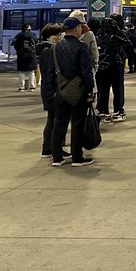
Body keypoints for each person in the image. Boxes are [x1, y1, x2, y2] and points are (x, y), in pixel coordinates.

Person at [51, 17, 96, 166]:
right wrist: (90, 90)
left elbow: (52, 72)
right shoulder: (81, 47)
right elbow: (86, 72)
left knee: (59, 124)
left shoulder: (56, 47)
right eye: (80, 27)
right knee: (77, 123)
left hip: (61, 90)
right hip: (78, 91)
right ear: (76, 29)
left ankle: (57, 157)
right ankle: (77, 157)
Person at [36, 22, 68, 160]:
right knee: (56, 121)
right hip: (52, 89)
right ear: (51, 36)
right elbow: (50, 74)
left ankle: (49, 148)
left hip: (49, 89)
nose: (60, 36)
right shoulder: (49, 51)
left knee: (52, 119)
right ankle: (54, 148)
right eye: (58, 34)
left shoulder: (46, 49)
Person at [95, 16, 130, 122]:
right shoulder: (118, 35)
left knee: (103, 89)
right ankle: (118, 110)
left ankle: (103, 110)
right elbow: (129, 45)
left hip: (102, 66)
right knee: (117, 88)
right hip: (115, 65)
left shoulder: (98, 36)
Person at [12, 24, 37, 91]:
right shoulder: (33, 35)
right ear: (28, 29)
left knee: (21, 72)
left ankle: (21, 87)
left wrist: (20, 52)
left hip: (21, 56)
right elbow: (36, 44)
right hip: (31, 56)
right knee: (31, 72)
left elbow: (16, 45)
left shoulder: (19, 35)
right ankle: (32, 87)